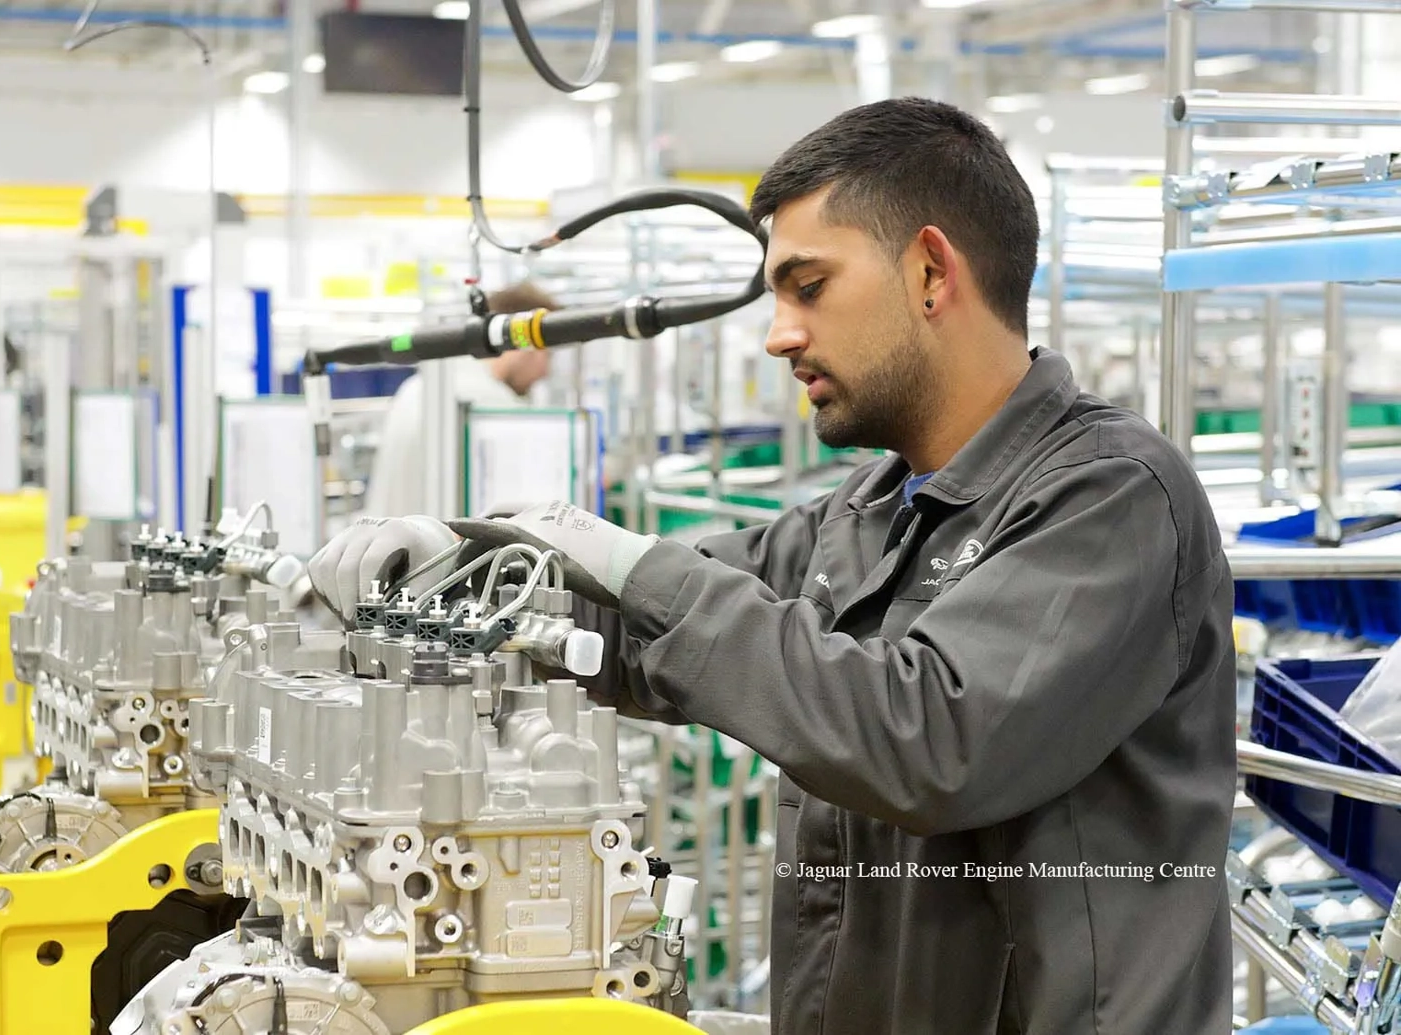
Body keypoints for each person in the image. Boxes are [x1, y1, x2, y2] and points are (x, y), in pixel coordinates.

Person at [308, 98, 1234, 1034]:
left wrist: (630, 560)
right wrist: (469, 573)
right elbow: (647, 631)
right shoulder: (873, 508)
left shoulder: (1113, 497)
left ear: (929, 271)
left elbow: (928, 736)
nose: (778, 334)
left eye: (809, 286)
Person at [360, 283, 559, 518]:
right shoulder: (490, 408)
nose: (546, 371)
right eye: (548, 355)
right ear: (524, 343)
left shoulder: (420, 386)